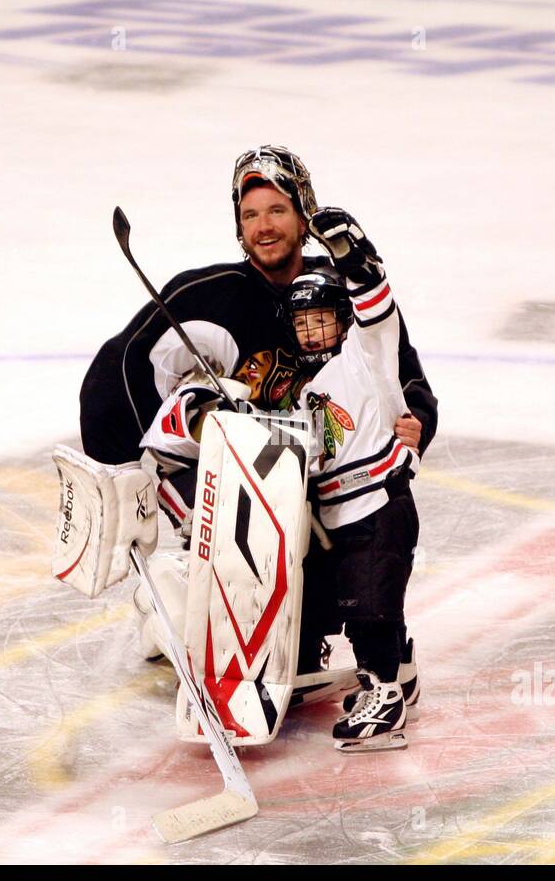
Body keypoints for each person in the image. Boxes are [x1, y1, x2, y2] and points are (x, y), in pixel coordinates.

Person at [78, 145, 437, 473]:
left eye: (277, 211)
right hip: (253, 481)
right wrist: (117, 475)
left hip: (347, 481)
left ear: (303, 218)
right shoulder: (206, 296)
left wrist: (416, 419)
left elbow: (404, 374)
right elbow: (117, 373)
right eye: (250, 215)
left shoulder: (343, 287)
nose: (263, 227)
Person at [286, 210, 422, 753]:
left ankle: (384, 694)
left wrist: (353, 260)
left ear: (342, 319)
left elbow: (377, 306)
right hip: (338, 517)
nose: (312, 331)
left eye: (321, 318)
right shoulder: (306, 390)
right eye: (302, 323)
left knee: (372, 607)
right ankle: (395, 682)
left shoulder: (365, 356)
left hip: (380, 505)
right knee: (353, 604)